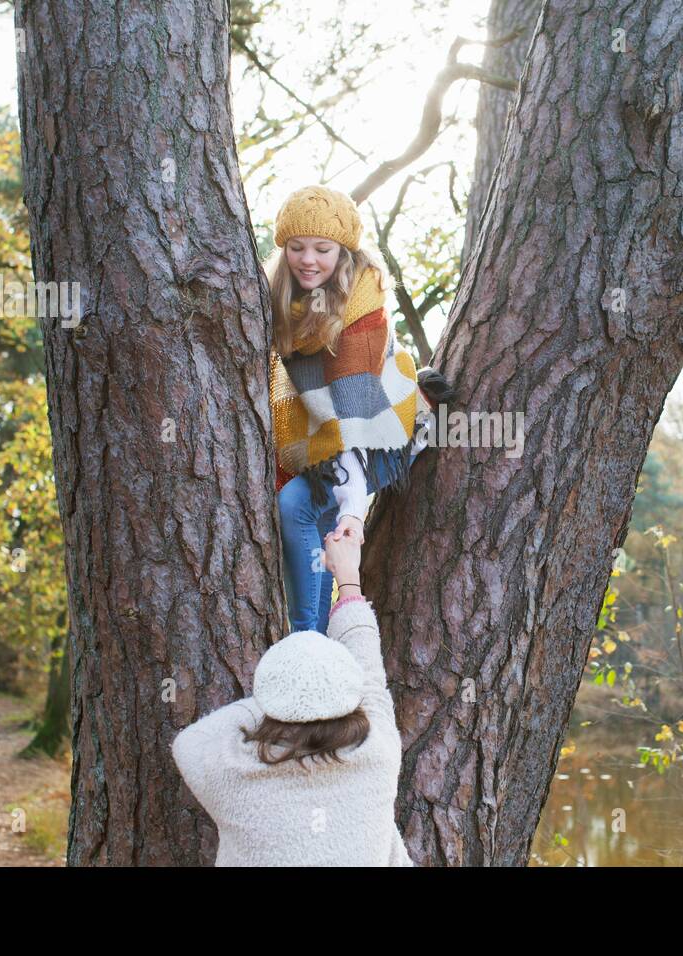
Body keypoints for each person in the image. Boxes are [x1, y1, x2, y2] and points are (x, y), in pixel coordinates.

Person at [266, 184, 454, 633]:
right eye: (297, 247)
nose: (308, 259)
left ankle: (307, 636)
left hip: (383, 433)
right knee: (299, 510)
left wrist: (353, 511)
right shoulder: (282, 301)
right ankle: (314, 629)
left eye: (322, 248)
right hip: (328, 433)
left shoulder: (360, 311)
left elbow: (354, 424)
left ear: (344, 250)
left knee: (296, 505)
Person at [170, 525, 414, 866]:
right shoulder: (378, 753)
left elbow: (189, 742)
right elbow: (370, 674)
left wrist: (274, 696)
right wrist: (347, 578)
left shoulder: (236, 773)